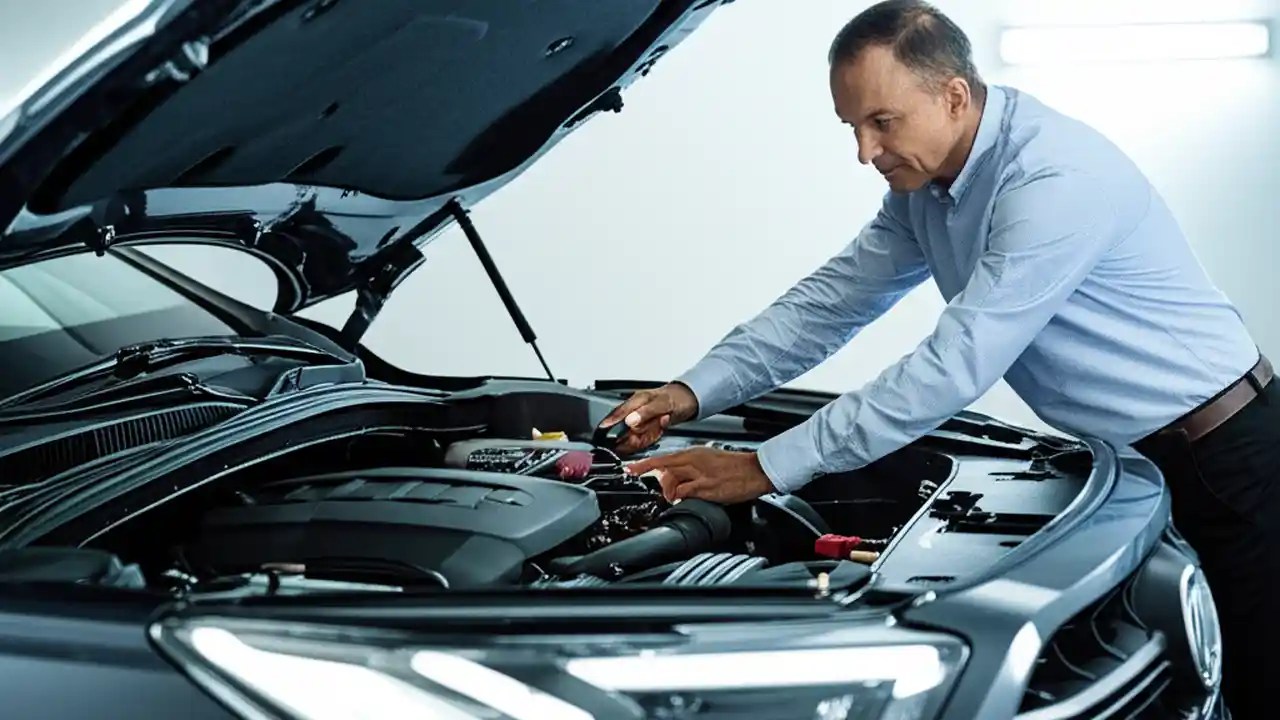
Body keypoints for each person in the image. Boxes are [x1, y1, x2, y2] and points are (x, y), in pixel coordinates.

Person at [599, 0, 1277, 715]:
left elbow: (954, 366)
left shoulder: (1054, 180)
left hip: (1230, 459)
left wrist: (764, 468)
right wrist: (691, 392)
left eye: (882, 122)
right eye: (852, 127)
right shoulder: (927, 188)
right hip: (1135, 465)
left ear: (954, 96)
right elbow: (828, 303)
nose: (865, 151)